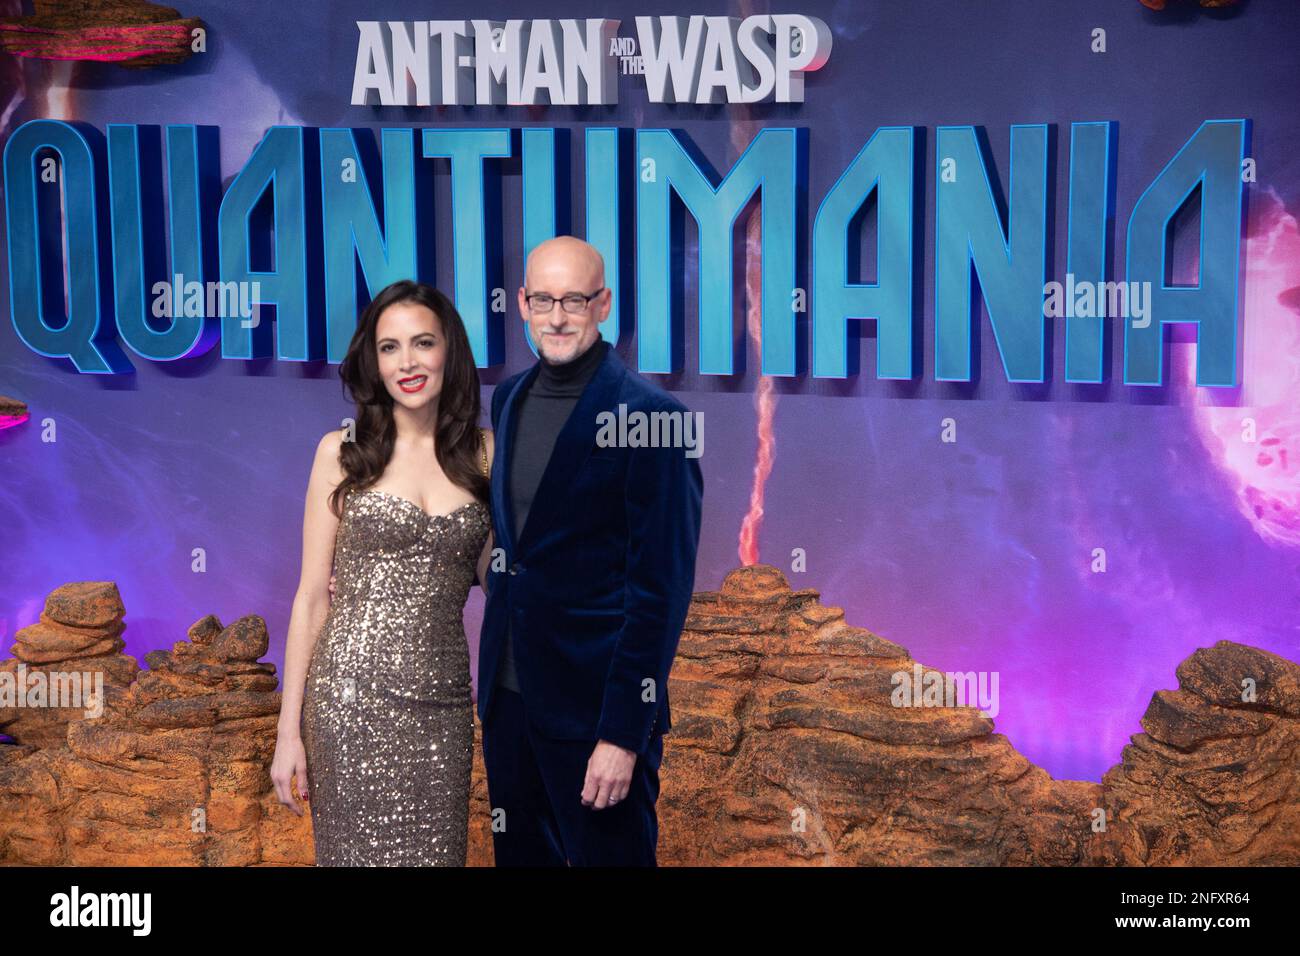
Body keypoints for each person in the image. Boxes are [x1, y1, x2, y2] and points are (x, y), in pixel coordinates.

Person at [479, 235, 704, 866]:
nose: (556, 317)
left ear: (603, 304)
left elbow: (660, 593)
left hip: (597, 716)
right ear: (521, 304)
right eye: (543, 300)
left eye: (573, 300)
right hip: (510, 703)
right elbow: (516, 552)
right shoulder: (509, 398)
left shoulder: (655, 419)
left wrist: (623, 735)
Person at [270, 279, 495, 866]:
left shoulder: (487, 455)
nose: (407, 362)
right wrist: (286, 734)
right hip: (349, 699)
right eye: (389, 347)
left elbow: (501, 578)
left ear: (451, 351)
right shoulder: (340, 452)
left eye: (423, 343)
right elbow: (311, 599)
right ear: (373, 360)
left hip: (443, 704)